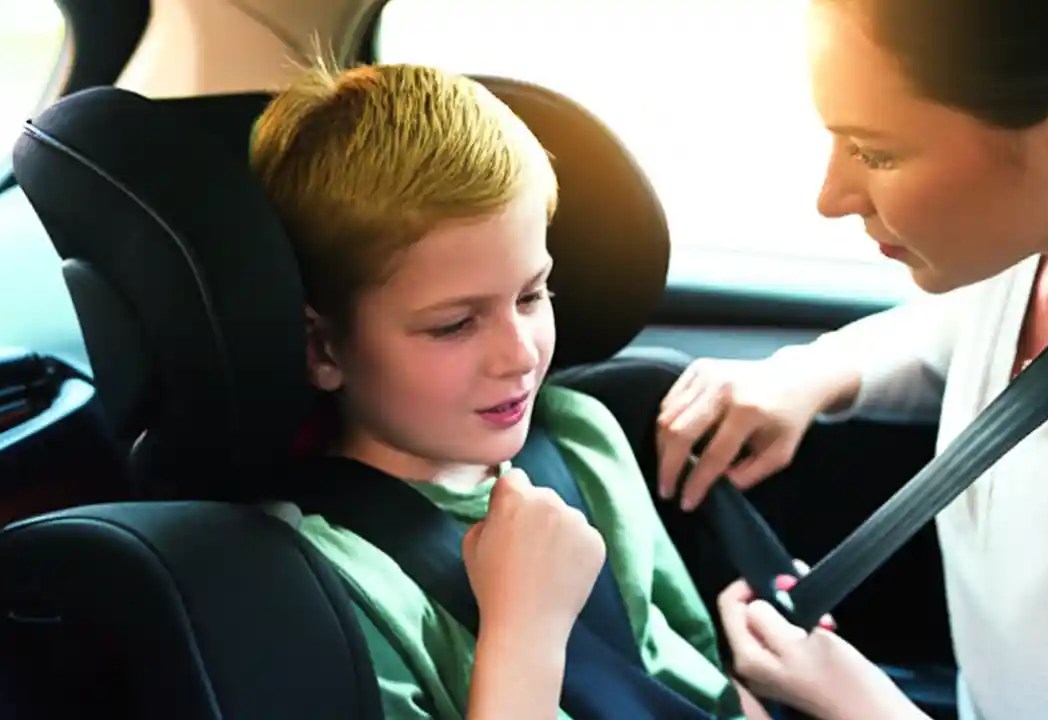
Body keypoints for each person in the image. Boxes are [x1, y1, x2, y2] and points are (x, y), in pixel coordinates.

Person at [650, 0, 1048, 718]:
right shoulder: (1046, 230)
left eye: (877, 151)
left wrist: (862, 707)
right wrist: (824, 370)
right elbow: (978, 327)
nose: (831, 197)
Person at [248, 60, 762, 718]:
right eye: (455, 325)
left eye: (531, 294)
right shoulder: (333, 583)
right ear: (324, 349)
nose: (520, 354)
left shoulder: (582, 439)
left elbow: (696, 679)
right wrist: (525, 633)